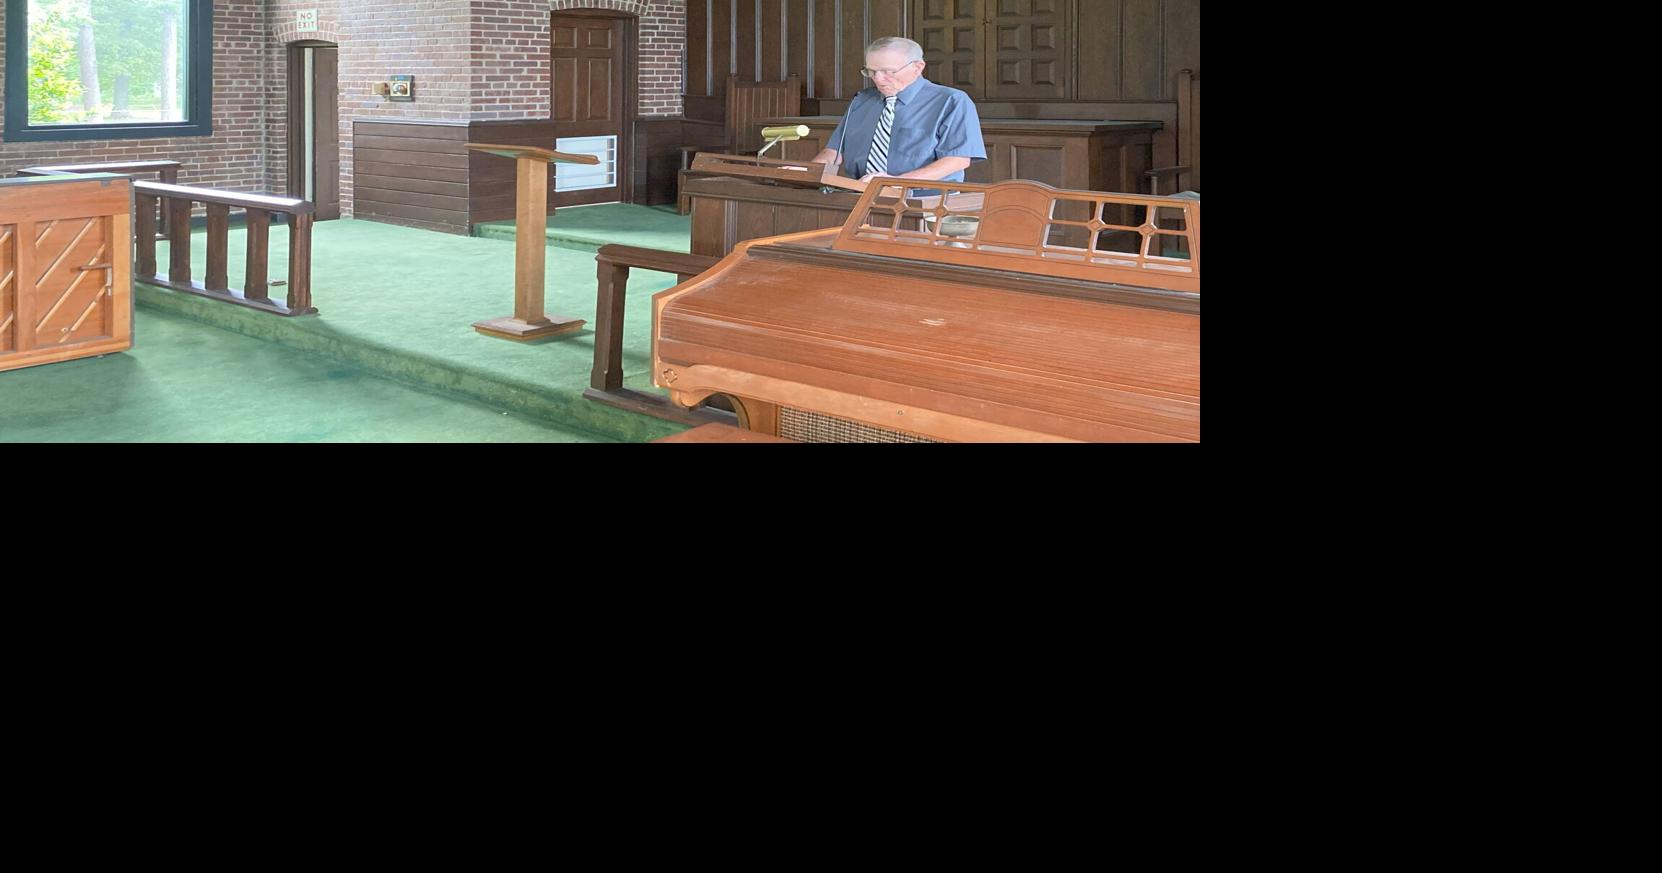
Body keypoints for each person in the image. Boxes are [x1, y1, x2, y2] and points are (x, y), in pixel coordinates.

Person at [811, 37, 986, 185]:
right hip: (861, 195)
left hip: (926, 201)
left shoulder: (951, 101)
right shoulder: (861, 100)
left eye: (888, 72)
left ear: (917, 67)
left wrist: (894, 183)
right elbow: (834, 152)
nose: (878, 79)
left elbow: (957, 159)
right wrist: (807, 172)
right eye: (871, 71)